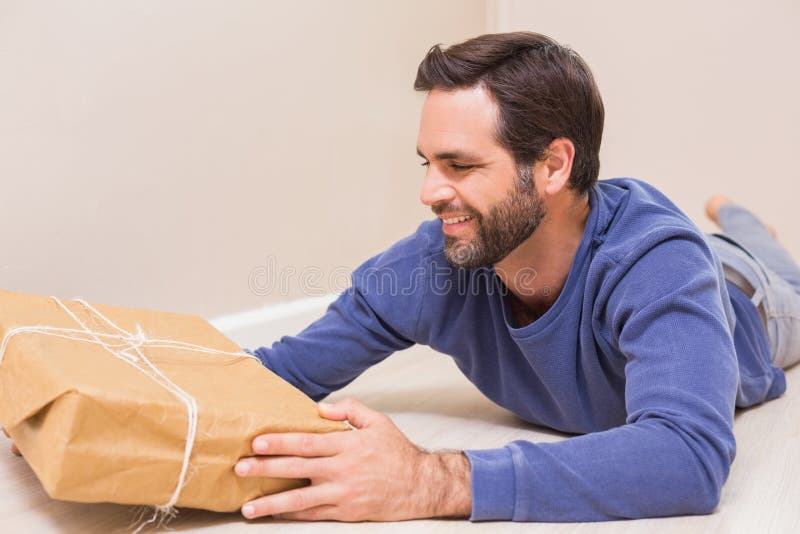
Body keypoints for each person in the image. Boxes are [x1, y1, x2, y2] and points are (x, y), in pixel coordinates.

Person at [5, 31, 799, 523]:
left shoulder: (655, 267)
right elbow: (278, 374)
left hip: (744, 304)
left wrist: (433, 481)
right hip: (681, 268)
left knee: (777, 278)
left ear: (554, 164)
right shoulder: (437, 262)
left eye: (460, 165)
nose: (428, 192)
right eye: (427, 163)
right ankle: (741, 221)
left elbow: (687, 458)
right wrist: (81, 401)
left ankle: (749, 232)